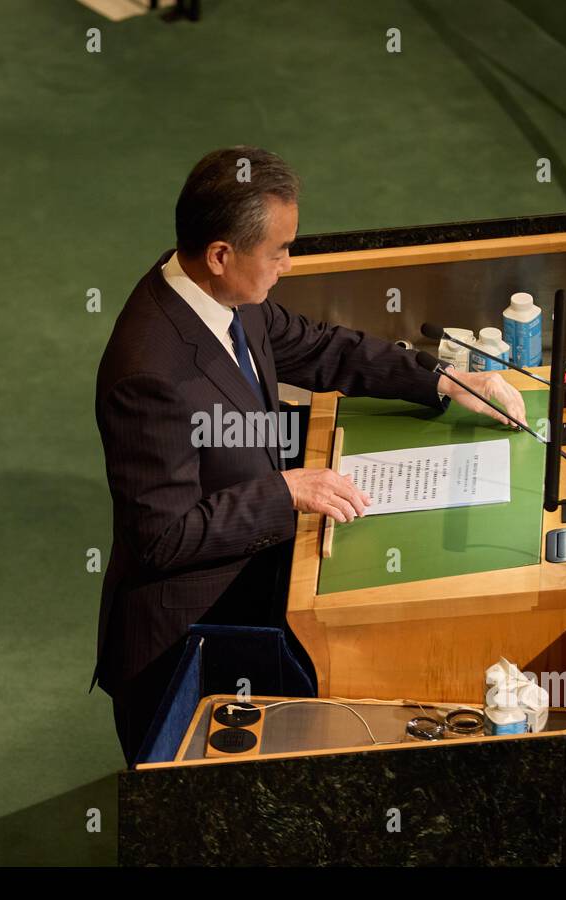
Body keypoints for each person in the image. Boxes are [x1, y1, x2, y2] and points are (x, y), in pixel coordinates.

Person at [92, 146, 527, 765]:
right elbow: (162, 536)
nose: (288, 266)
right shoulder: (150, 372)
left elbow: (320, 348)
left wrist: (444, 381)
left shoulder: (216, 294)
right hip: (184, 647)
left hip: (252, 583)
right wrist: (286, 490)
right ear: (220, 255)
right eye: (278, 252)